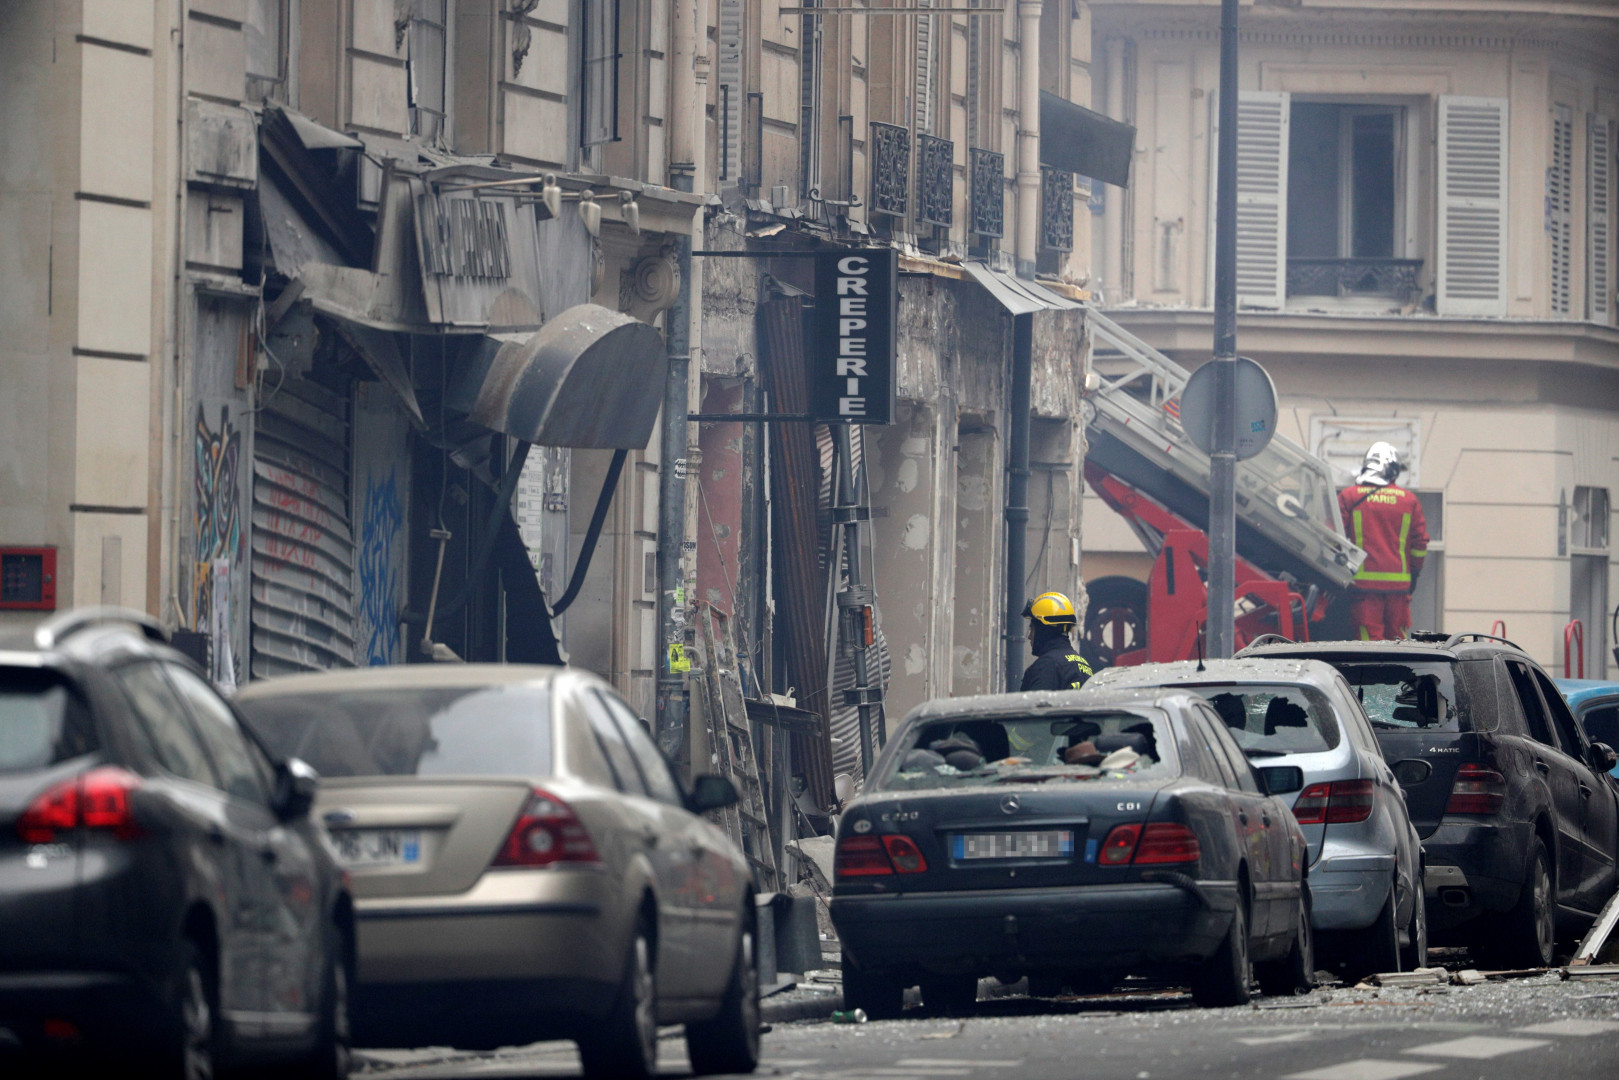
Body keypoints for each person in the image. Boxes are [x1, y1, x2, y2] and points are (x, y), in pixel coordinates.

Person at [1338, 442, 1429, 640]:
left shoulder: (1349, 497)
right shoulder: (1409, 500)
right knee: (1398, 642)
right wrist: (1414, 574)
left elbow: (1336, 539)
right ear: (1391, 470)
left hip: (1363, 588)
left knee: (1368, 643)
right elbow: (1420, 544)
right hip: (1399, 589)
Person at [1020, 591, 1094, 691]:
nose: (1029, 636)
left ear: (1043, 630)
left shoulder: (1047, 666)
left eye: (1032, 628)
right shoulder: (1083, 664)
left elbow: (1035, 705)